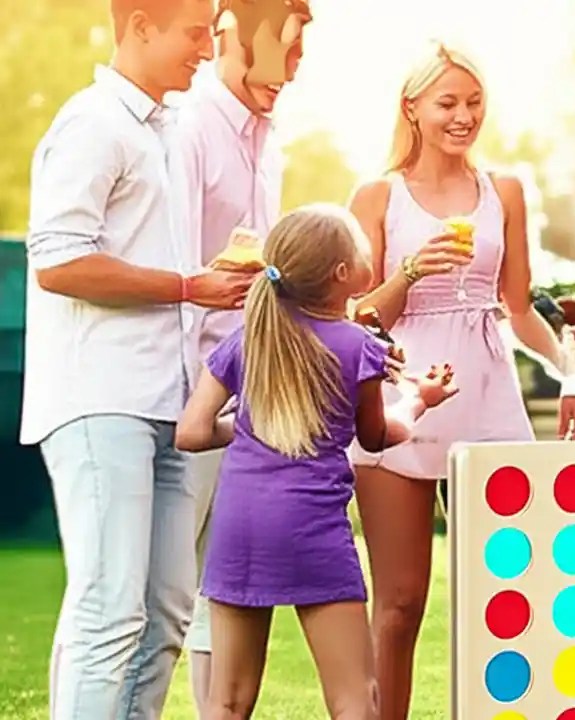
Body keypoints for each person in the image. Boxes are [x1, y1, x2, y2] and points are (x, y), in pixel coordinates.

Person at [20, 1, 260, 717]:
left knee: (164, 619)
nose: (203, 49)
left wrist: (208, 281)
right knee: (109, 612)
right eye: (194, 34)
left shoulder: (164, 131)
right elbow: (58, 262)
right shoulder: (93, 123)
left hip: (170, 404)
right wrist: (189, 286)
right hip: (101, 402)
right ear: (141, 26)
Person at [345, 41, 575, 719]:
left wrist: (571, 376)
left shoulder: (503, 192)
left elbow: (519, 308)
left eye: (474, 103)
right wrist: (412, 270)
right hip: (400, 403)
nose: (463, 116)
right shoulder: (377, 196)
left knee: (508, 599)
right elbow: (358, 316)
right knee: (398, 605)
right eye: (447, 103)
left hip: (488, 403)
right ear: (413, 110)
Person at [175, 204, 457, 719]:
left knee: (228, 701)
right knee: (355, 699)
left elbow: (190, 433)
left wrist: (254, 425)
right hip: (312, 531)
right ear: (343, 273)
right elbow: (374, 437)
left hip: (241, 528)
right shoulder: (358, 347)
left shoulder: (249, 340)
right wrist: (421, 401)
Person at [166, 7, 309, 715]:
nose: (298, 59)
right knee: (148, 591)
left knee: (219, 590)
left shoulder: (268, 142)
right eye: (290, 39)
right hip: (183, 392)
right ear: (236, 35)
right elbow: (173, 269)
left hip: (242, 392)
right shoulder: (189, 129)